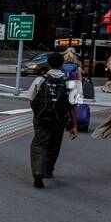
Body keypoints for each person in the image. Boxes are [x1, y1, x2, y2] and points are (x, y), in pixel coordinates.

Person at [27, 52, 79, 189]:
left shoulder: (40, 80)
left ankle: (38, 171)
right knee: (54, 144)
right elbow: (73, 106)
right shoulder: (70, 83)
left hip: (41, 118)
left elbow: (31, 98)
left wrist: (37, 113)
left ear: (48, 64)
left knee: (39, 143)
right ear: (62, 65)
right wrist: (74, 125)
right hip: (59, 119)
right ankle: (48, 170)